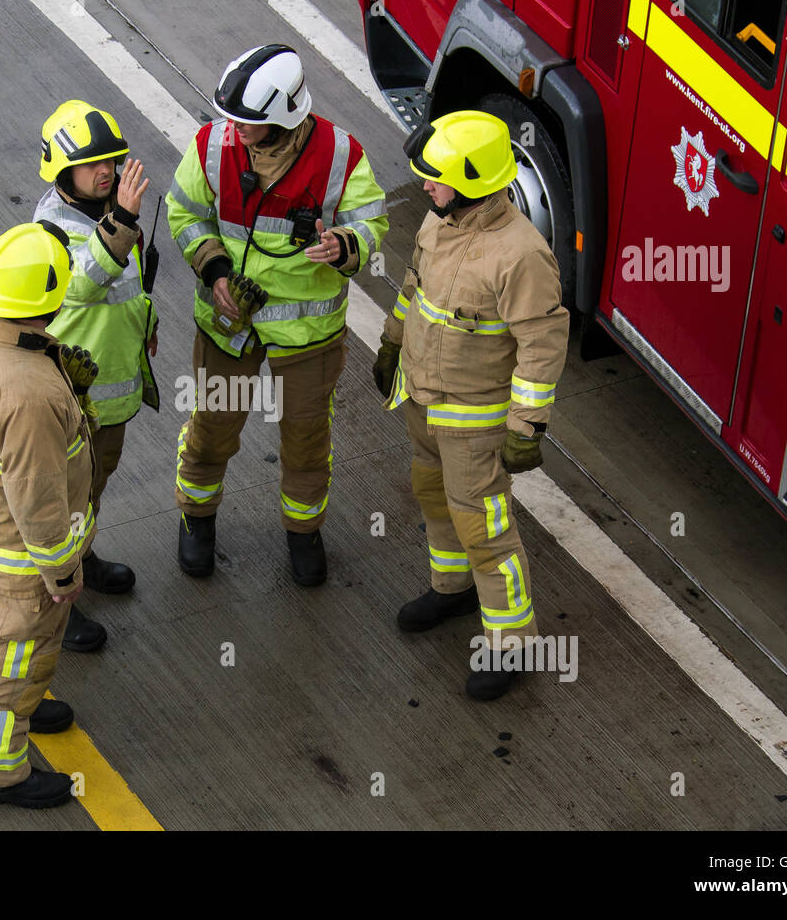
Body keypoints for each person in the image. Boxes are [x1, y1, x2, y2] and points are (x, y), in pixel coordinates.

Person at [166, 44, 388, 586]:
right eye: (230, 117)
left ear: (284, 116)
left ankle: (303, 531)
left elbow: (371, 221)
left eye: (246, 121)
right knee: (213, 428)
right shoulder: (213, 147)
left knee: (308, 438)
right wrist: (216, 273)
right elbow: (185, 213)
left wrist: (347, 245)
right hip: (229, 327)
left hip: (308, 336)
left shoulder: (341, 155)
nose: (233, 128)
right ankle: (196, 520)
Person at [374, 110, 570, 700]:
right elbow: (414, 288)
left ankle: (512, 642)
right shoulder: (441, 223)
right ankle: (451, 588)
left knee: (485, 529)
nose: (426, 185)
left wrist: (527, 426)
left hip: (473, 423)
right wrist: (391, 340)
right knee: (434, 500)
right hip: (423, 403)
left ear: (473, 180)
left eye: (436, 177)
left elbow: (542, 343)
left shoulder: (521, 255)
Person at [0, 221, 100, 807]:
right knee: (17, 652)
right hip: (23, 552)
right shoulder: (30, 390)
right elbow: (38, 495)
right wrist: (62, 571)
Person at [31, 99, 159, 652]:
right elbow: (85, 282)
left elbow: (128, 288)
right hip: (75, 403)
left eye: (111, 159)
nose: (106, 172)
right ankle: (56, 606)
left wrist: (146, 323)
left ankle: (82, 562)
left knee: (91, 494)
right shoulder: (51, 230)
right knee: (61, 506)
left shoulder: (106, 212)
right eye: (91, 164)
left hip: (108, 398)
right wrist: (124, 220)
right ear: (62, 173)